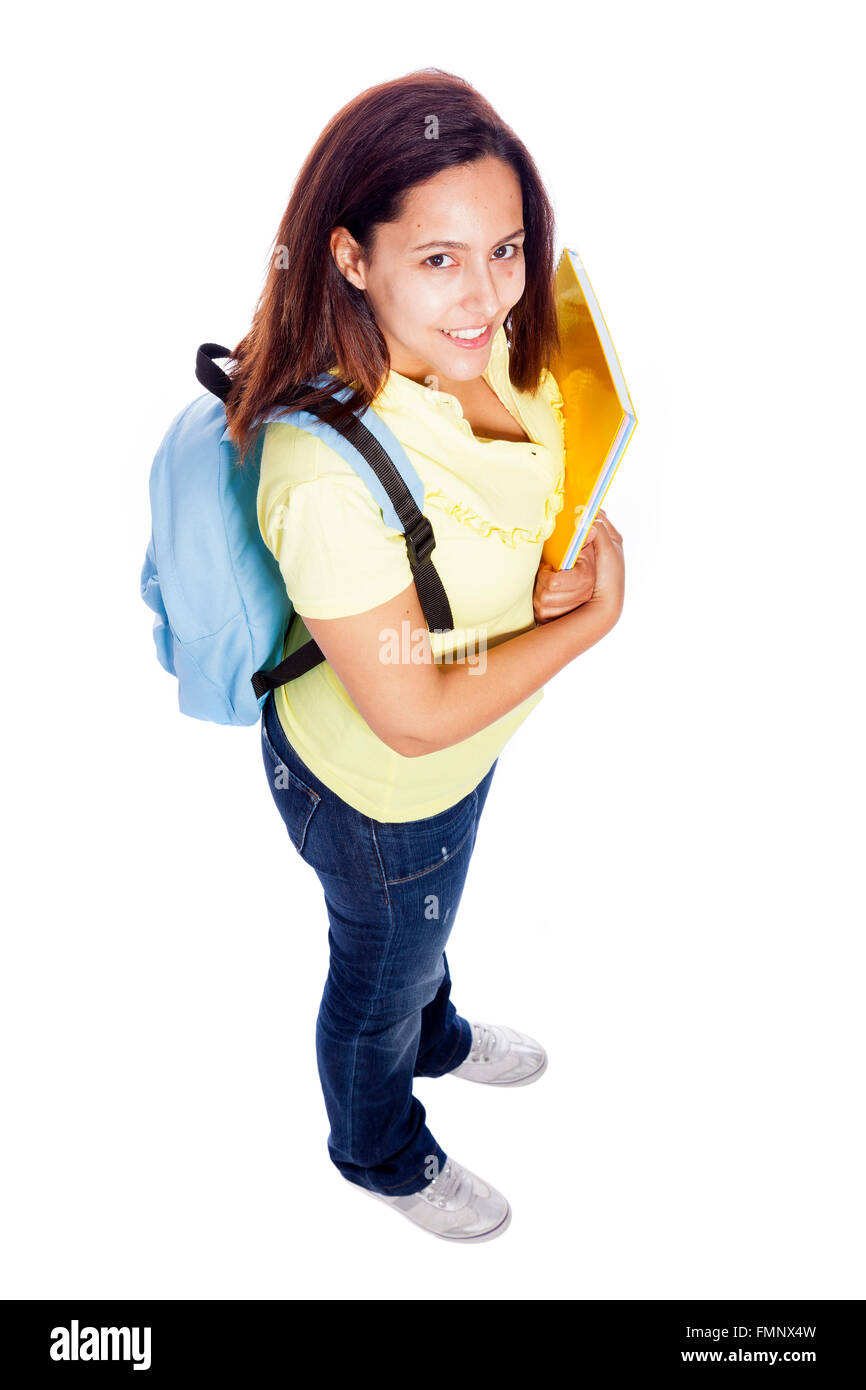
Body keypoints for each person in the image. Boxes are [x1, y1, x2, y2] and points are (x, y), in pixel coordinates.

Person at [224, 69, 625, 1243]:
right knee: (380, 964)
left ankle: (433, 1031)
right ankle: (379, 1145)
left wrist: (568, 554)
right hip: (382, 791)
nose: (488, 295)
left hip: (460, 756)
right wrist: (583, 623)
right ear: (350, 257)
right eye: (438, 258)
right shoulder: (327, 471)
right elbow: (406, 716)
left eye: (504, 247)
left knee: (417, 934)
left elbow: (520, 491)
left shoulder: (491, 342)